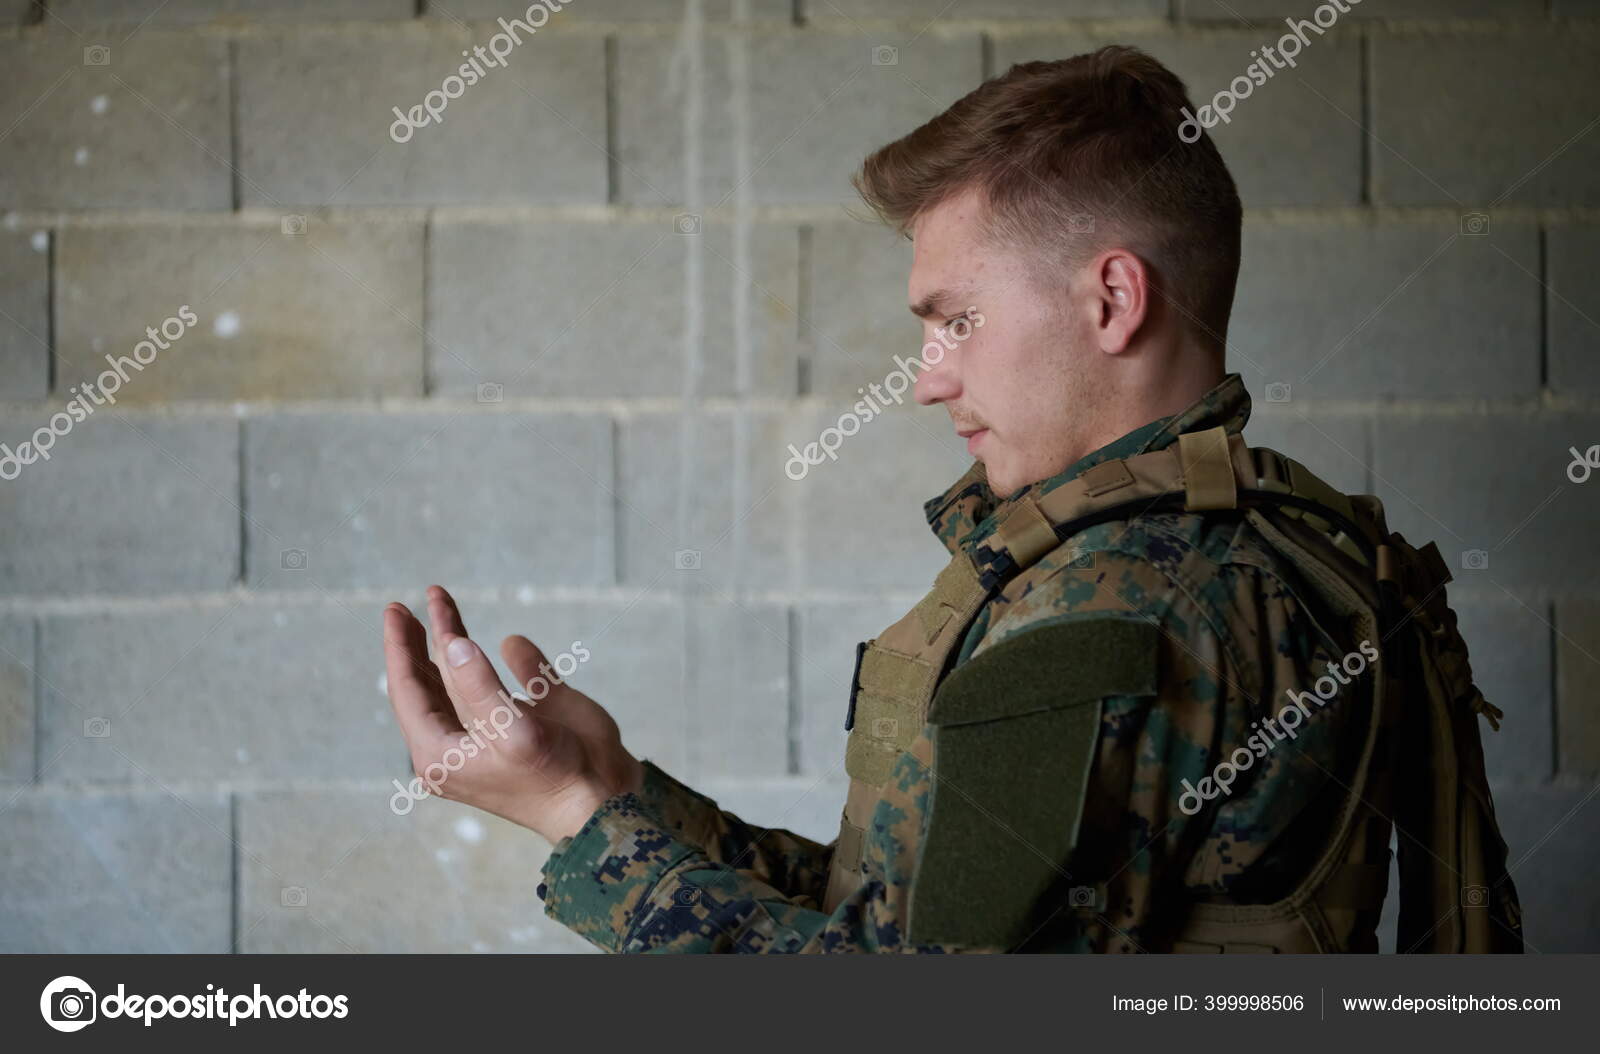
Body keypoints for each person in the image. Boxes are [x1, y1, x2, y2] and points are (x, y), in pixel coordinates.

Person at [382, 46, 1520, 954]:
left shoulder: (1120, 606)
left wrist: (572, 821)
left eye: (954, 320)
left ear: (1113, 299)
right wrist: (617, 789)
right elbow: (897, 920)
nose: (927, 377)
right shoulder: (1249, 552)